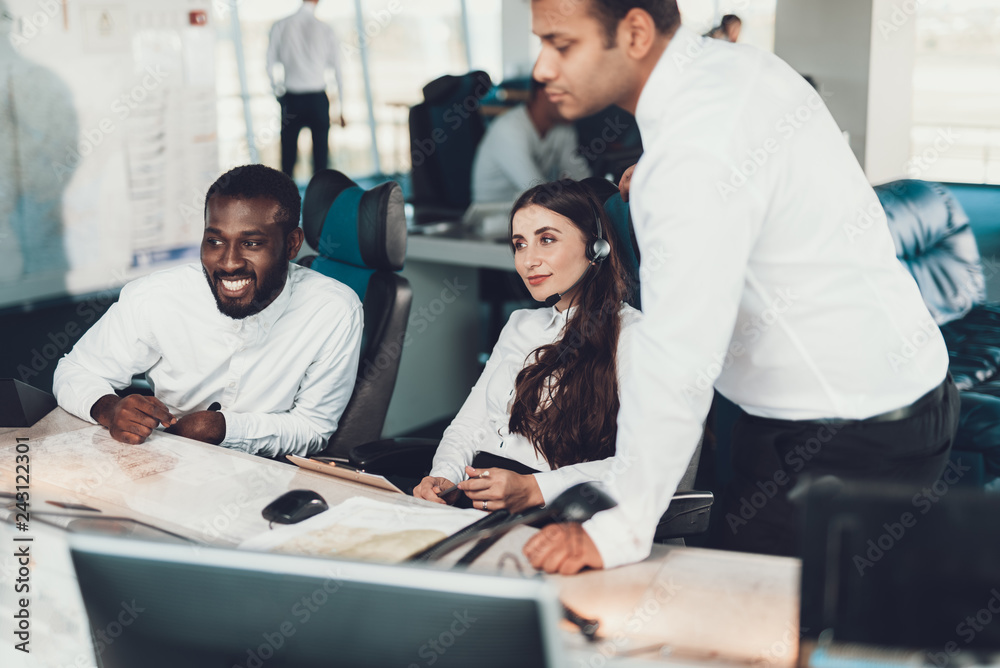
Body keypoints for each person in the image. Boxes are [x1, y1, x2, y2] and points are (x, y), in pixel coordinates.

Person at [522, 0, 958, 574]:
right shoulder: (743, 68)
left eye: (561, 44)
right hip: (895, 395)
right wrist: (666, 185)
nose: (541, 70)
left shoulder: (690, 156)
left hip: (843, 435)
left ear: (633, 32)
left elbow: (679, 352)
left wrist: (619, 528)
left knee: (769, 633)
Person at [53, 164, 363, 458]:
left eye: (252, 243)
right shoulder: (155, 296)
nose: (229, 262)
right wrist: (109, 408)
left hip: (268, 476)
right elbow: (75, 371)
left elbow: (313, 428)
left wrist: (222, 429)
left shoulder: (334, 310)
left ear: (292, 244)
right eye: (214, 240)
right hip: (160, 465)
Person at [413, 179, 641, 512]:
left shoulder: (634, 336)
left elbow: (642, 464)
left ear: (597, 248)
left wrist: (534, 489)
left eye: (546, 240)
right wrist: (444, 477)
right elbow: (468, 426)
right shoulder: (520, 324)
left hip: (556, 514)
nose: (527, 260)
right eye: (520, 244)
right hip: (473, 504)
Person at [471, 79, 591, 204]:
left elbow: (581, 179)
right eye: (566, 94)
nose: (574, 103)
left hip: (529, 210)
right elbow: (536, 191)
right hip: (494, 215)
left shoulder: (564, 127)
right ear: (542, 94)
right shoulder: (508, 128)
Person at [266, 0, 346, 178]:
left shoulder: (281, 25)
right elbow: (338, 72)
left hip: (291, 99)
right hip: (318, 99)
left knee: (287, 159)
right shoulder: (325, 29)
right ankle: (320, 202)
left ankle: (286, 204)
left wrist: (278, 95)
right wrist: (341, 108)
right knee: (321, 159)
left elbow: (269, 65)